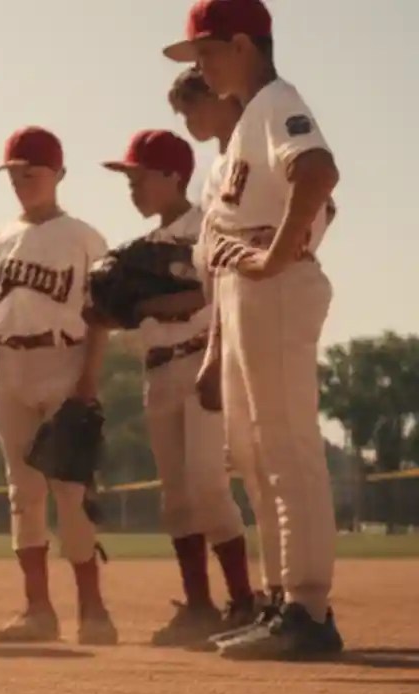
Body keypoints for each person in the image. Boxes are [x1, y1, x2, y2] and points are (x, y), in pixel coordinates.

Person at [162, 0, 344, 660]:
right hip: (241, 300)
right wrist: (214, 350)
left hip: (274, 289)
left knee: (287, 447)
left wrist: (274, 256)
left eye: (207, 51)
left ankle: (309, 607)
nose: (202, 66)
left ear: (243, 44)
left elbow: (319, 174)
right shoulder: (240, 134)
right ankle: (279, 601)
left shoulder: (275, 101)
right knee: (253, 454)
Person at [0, 126, 118, 646]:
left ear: (59, 174)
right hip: (9, 364)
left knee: (70, 492)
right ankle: (37, 611)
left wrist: (89, 379)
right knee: (21, 493)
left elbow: (100, 315)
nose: (22, 180)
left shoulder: (83, 237)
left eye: (32, 171)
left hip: (63, 359)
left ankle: (93, 611)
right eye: (14, 172)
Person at [99, 129, 255, 647]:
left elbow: (209, 294)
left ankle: (246, 603)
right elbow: (116, 311)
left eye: (138, 177)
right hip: (158, 369)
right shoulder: (138, 251)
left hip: (202, 362)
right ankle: (198, 607)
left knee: (209, 486)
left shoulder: (206, 228)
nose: (132, 187)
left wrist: (148, 305)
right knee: (177, 498)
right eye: (129, 179)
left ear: (173, 176)